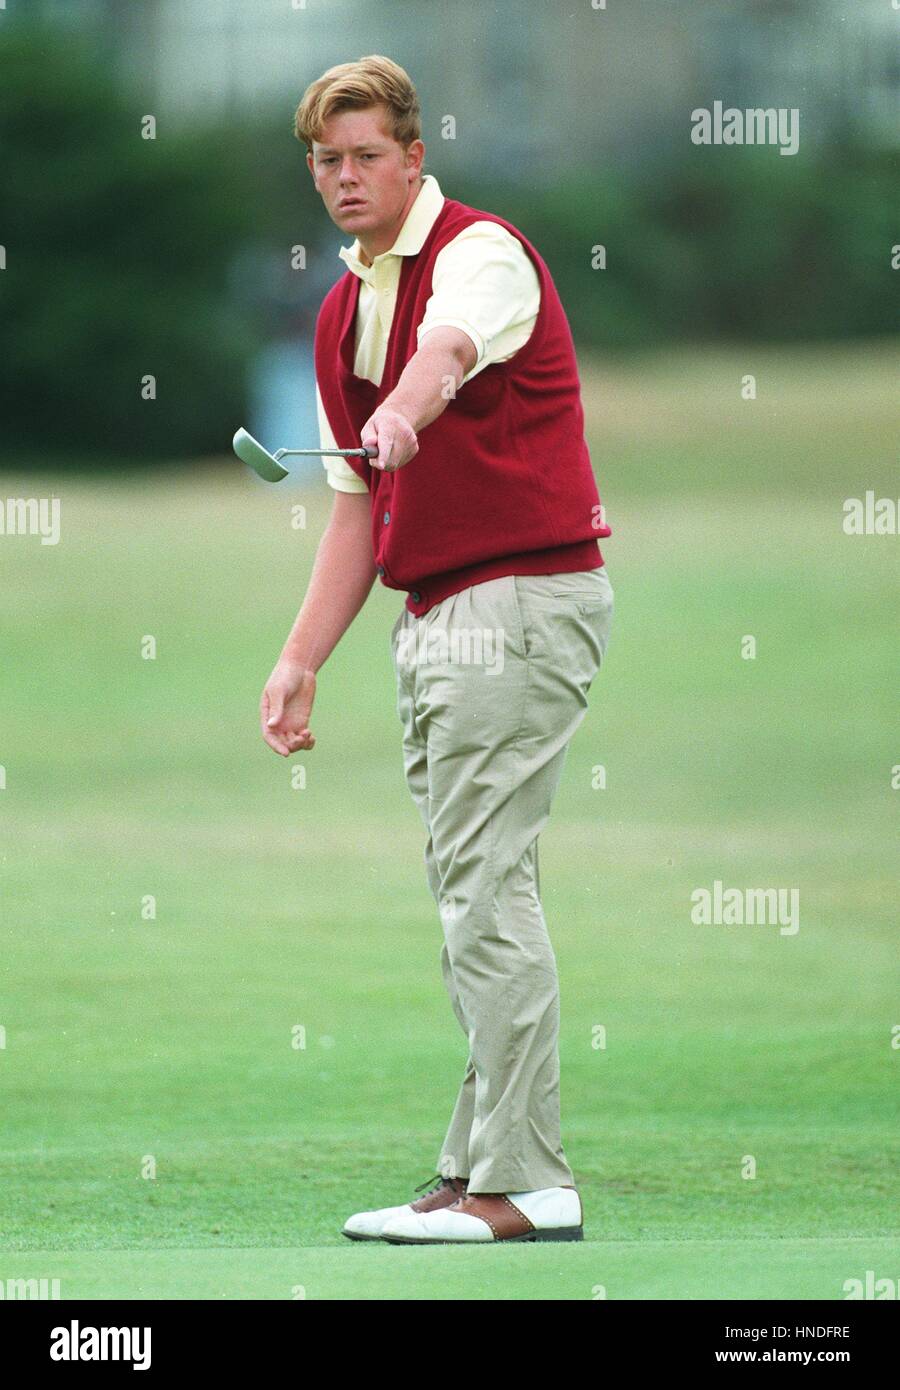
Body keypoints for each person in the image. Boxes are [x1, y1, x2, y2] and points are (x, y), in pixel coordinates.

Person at [261, 54, 614, 1245]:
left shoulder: (480, 251)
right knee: (473, 885)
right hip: (441, 613)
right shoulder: (338, 310)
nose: (347, 177)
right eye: (327, 161)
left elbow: (447, 353)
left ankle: (524, 1184)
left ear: (414, 155)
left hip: (519, 597)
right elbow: (357, 503)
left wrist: (409, 407)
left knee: (484, 887)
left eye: (367, 155)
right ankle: (478, 1168)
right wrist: (303, 654)